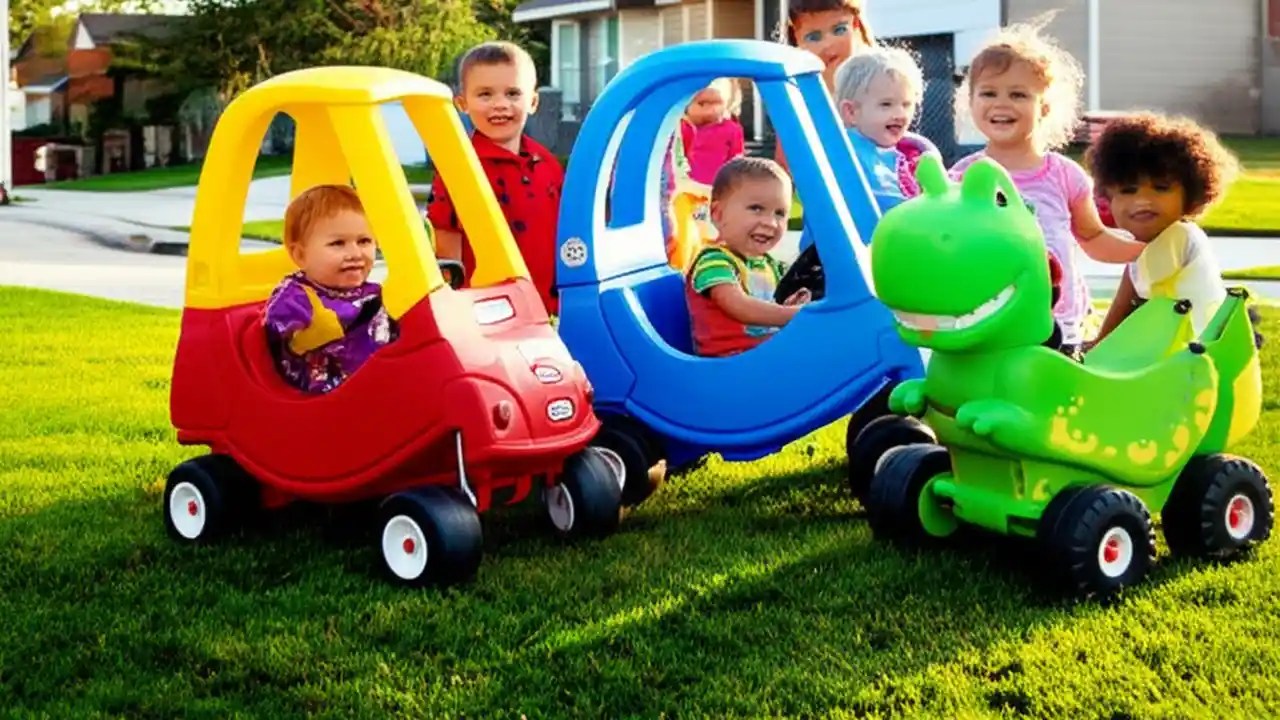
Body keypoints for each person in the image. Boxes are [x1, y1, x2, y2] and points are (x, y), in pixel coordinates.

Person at [948, 19, 1145, 358]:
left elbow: (1094, 239)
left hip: (1057, 325)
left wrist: (1146, 251)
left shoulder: (1063, 175)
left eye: (1019, 94)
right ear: (971, 102)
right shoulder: (963, 177)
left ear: (1045, 107)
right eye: (989, 93)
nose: (1001, 103)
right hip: (986, 320)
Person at [426, 41, 564, 313]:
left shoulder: (546, 163)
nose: (500, 105)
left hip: (549, 309)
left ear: (533, 102)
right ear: (462, 103)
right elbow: (447, 251)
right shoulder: (459, 168)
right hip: (487, 312)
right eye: (485, 94)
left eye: (513, 93)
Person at [1086, 112, 1245, 343]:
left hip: (1196, 351)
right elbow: (1125, 295)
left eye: (1160, 188)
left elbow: (1137, 304)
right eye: (1128, 191)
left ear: (1190, 194)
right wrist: (1099, 342)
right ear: (1108, 199)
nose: (1142, 200)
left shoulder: (1179, 237)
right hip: (1177, 346)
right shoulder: (1145, 249)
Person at [263, 185, 396, 394]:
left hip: (377, 386)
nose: (354, 253)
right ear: (300, 256)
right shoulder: (296, 297)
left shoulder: (373, 292)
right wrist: (300, 342)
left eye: (364, 241)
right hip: (325, 400)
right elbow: (275, 349)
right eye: (338, 243)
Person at [686, 157, 811, 357]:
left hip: (764, 358)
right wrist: (796, 315)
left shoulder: (772, 265)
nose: (770, 222)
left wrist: (795, 303)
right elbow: (738, 306)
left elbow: (776, 305)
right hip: (731, 364)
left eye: (780, 213)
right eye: (756, 209)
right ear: (718, 214)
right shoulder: (714, 261)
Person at [832, 44, 935, 205]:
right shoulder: (848, 152)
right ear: (851, 112)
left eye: (906, 104)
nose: (900, 114)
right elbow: (885, 202)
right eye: (886, 104)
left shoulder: (910, 151)